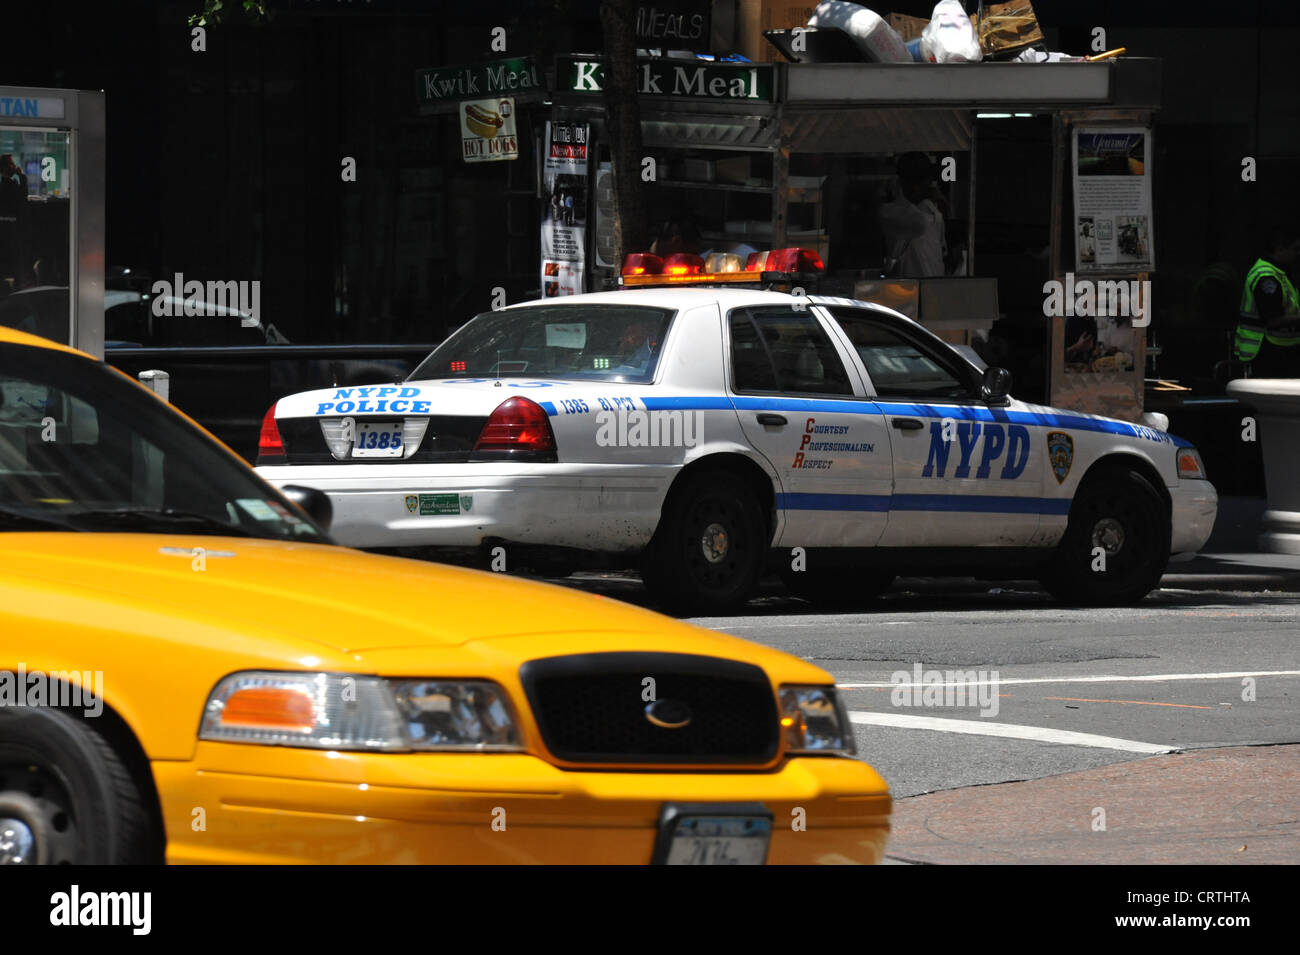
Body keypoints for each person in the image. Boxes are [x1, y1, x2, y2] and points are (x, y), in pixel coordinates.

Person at [1234, 222, 1300, 377]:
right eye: (1296, 249)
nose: (1299, 254)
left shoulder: (1280, 272)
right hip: (1266, 350)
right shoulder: (1266, 276)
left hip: (1280, 349)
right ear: (1280, 249)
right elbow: (1273, 318)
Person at [875, 152, 947, 278]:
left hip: (917, 288)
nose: (916, 188)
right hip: (925, 288)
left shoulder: (926, 214)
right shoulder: (927, 214)